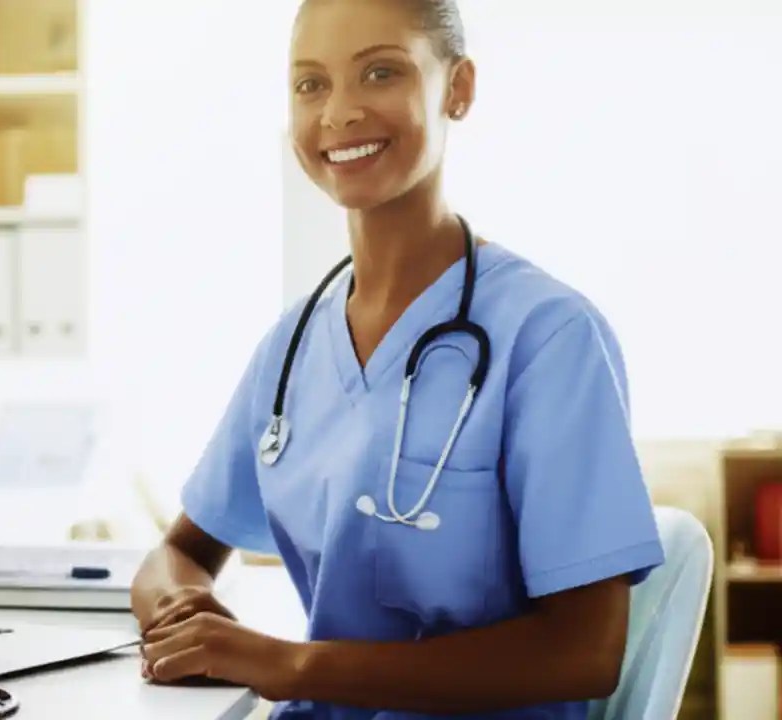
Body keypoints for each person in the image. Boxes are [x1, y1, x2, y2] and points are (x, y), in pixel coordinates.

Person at [131, 1, 666, 718]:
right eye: (309, 84)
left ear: (459, 88)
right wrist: (185, 612)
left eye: (380, 72)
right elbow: (176, 553)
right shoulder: (291, 347)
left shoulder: (548, 337)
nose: (339, 112)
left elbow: (583, 654)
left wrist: (292, 664)